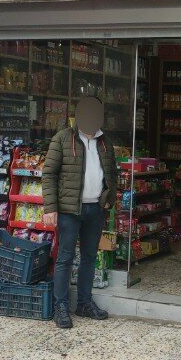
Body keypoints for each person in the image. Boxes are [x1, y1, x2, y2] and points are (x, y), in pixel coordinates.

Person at [42, 96, 118, 328]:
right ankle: (61, 307)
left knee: (89, 258)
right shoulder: (63, 138)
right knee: (65, 258)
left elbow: (112, 174)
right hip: (68, 210)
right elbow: (49, 174)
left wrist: (108, 200)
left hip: (95, 208)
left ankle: (84, 303)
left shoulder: (105, 142)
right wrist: (50, 208)